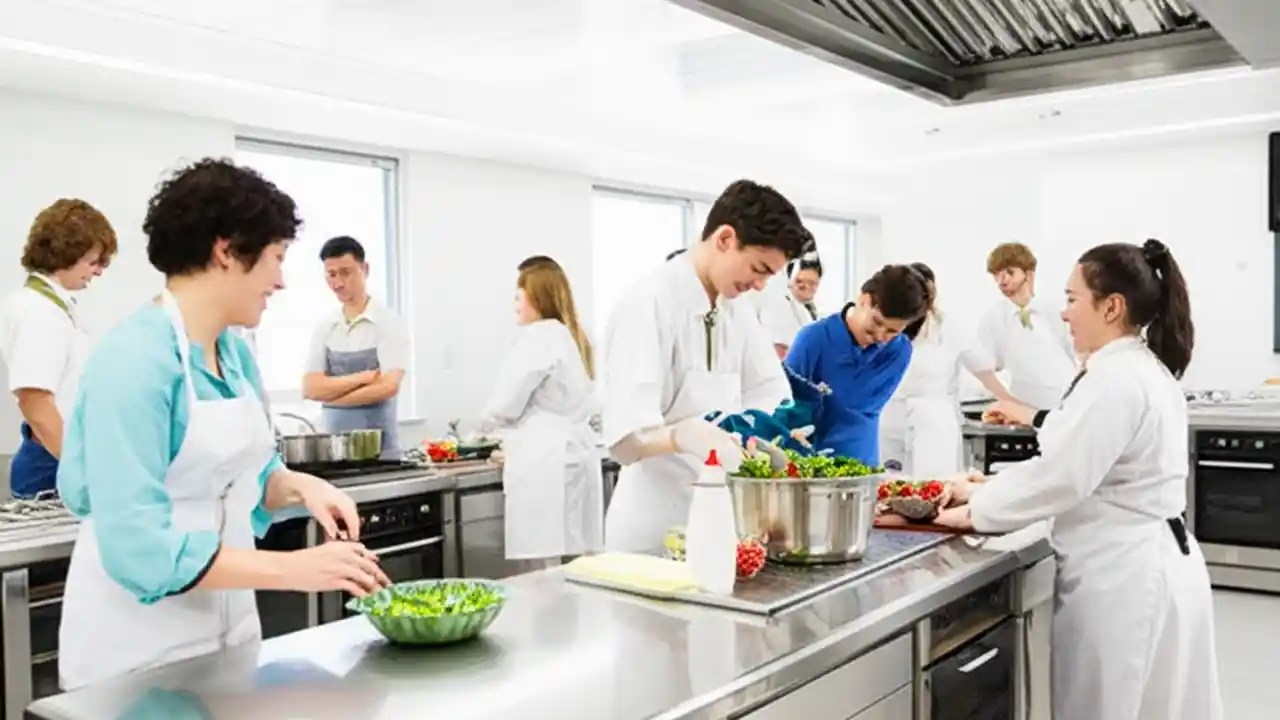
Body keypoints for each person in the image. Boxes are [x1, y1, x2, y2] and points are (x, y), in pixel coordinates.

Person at [57, 159, 390, 690]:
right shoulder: (133, 361)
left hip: (228, 638)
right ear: (227, 250)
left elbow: (242, 476)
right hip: (136, 651)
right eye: (277, 258)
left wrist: (302, 486)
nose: (281, 281)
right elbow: (136, 546)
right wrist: (296, 570)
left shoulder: (232, 352)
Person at [935, 239, 1221, 720]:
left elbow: (1063, 478)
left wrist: (972, 513)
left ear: (1112, 307)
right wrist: (985, 488)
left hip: (1126, 579)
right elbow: (1086, 458)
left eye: (1072, 299)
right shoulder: (1132, 369)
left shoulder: (1117, 379)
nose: (1063, 313)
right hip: (1154, 564)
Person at [602, 179, 814, 553]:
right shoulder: (649, 302)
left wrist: (770, 434)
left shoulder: (737, 311)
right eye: (759, 268)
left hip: (721, 522)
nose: (761, 285)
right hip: (653, 528)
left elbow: (770, 392)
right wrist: (682, 436)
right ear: (725, 238)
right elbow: (625, 438)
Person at [479, 256, 603, 569]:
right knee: (575, 565)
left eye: (519, 296)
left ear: (537, 297)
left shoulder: (538, 336)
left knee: (543, 575)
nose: (515, 304)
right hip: (575, 455)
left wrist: (479, 432)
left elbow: (506, 404)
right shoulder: (573, 335)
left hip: (545, 461)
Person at [0, 199, 116, 498]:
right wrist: (85, 470)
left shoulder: (56, 308)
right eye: (94, 262)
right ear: (65, 254)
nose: (99, 271)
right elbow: (35, 403)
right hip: (51, 466)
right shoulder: (35, 311)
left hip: (61, 458)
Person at [785, 264, 931, 466]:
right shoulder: (813, 339)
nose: (880, 336)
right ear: (864, 299)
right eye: (877, 322)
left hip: (862, 464)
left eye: (892, 331)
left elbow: (860, 408)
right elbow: (785, 409)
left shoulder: (899, 351)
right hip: (808, 464)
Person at [879, 263, 1014, 476]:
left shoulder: (950, 326)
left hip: (933, 418)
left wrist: (1011, 404)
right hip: (890, 415)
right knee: (888, 485)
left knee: (934, 488)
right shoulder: (889, 324)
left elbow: (983, 370)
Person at [302, 236, 409, 460]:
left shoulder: (389, 323)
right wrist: (365, 377)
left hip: (381, 453)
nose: (338, 282)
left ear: (365, 269)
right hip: (334, 454)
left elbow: (388, 387)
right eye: (331, 275)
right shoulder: (325, 327)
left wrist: (330, 399)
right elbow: (311, 389)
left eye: (346, 272)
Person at [973, 242, 1076, 409]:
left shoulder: (1056, 310)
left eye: (1009, 272)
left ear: (1028, 273)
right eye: (996, 275)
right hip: (1022, 407)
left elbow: (1078, 355)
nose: (1002, 280)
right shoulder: (994, 317)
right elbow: (984, 365)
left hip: (1063, 403)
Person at [758, 254, 822, 358]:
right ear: (790, 281)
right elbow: (779, 349)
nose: (806, 286)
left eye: (812, 283)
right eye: (800, 281)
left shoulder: (807, 309)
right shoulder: (780, 306)